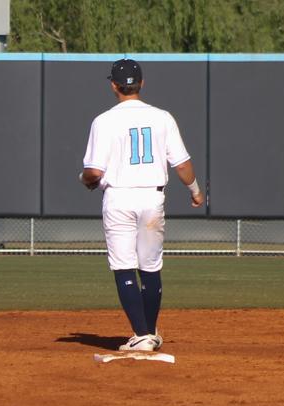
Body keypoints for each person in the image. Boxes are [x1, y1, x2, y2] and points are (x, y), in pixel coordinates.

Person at [80, 59, 204, 352]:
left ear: (114, 85)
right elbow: (182, 164)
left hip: (119, 197)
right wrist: (196, 191)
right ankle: (148, 332)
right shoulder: (162, 117)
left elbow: (94, 172)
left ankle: (142, 333)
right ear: (142, 83)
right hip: (152, 196)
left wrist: (84, 179)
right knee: (150, 267)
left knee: (124, 266)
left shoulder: (104, 120)